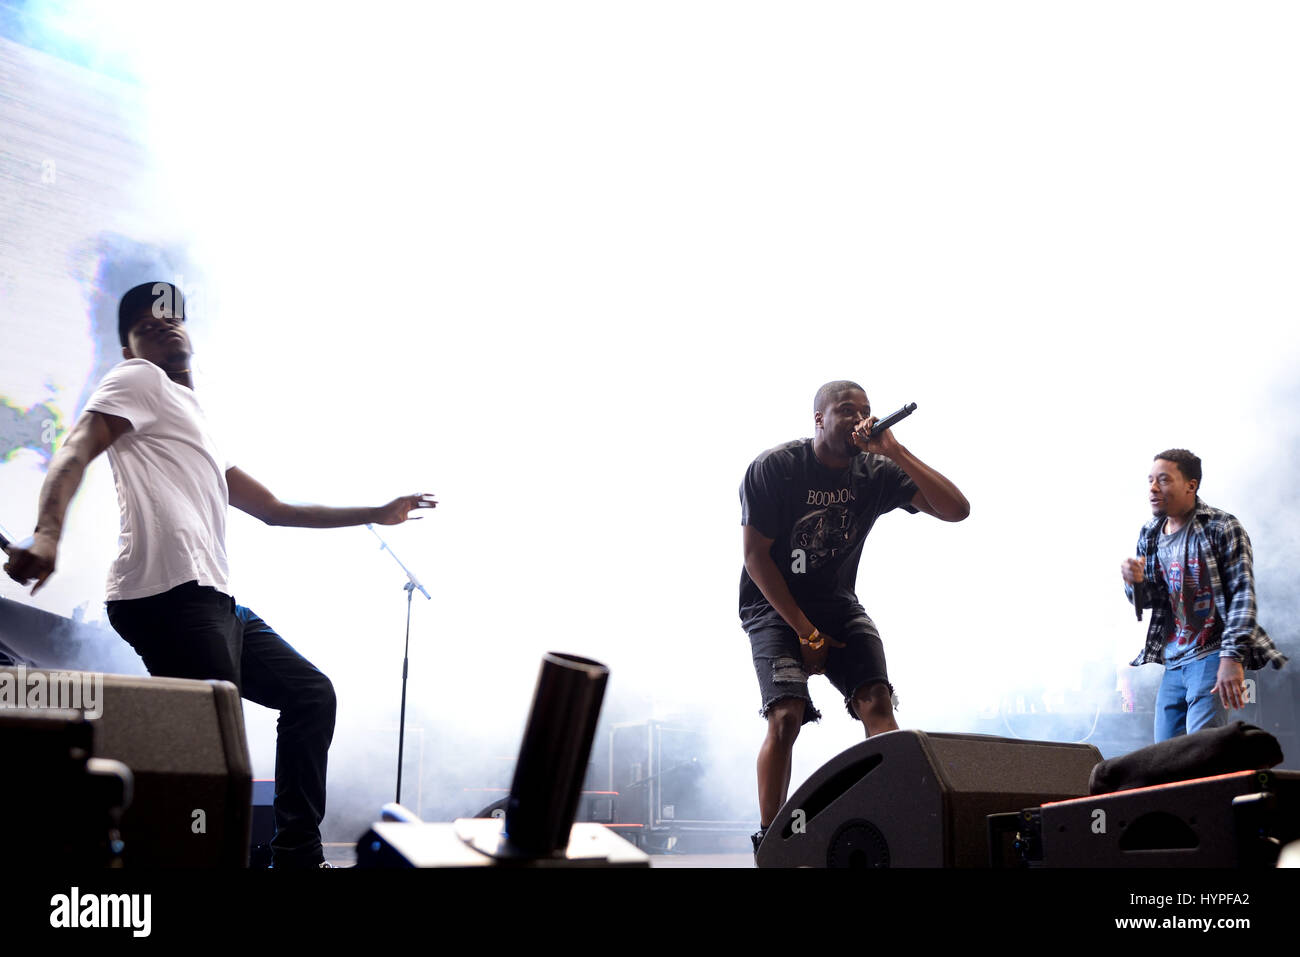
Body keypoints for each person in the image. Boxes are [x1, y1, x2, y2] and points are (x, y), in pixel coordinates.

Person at [3, 281, 437, 868]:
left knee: (311, 695)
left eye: (173, 318)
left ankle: (297, 856)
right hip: (164, 595)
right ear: (129, 349)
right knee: (211, 742)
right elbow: (77, 447)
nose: (164, 325)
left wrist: (376, 512)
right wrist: (48, 532)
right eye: (145, 325)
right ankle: (189, 863)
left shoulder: (200, 419)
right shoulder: (138, 380)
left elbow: (277, 510)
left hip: (214, 600)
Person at [740, 380, 969, 853]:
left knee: (876, 703)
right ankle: (770, 840)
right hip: (773, 604)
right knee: (786, 715)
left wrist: (896, 451)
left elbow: (957, 510)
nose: (859, 417)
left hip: (837, 601)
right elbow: (755, 559)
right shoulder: (776, 468)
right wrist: (805, 632)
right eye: (846, 410)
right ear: (819, 419)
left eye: (865, 410)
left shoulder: (877, 471)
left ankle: (896, 826)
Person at [1121, 449, 1285, 743]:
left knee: (1200, 753)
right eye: (1150, 481)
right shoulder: (1150, 532)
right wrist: (1135, 583)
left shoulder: (1222, 526)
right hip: (1173, 660)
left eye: (1164, 480)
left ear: (1191, 485)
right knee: (1165, 757)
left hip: (1212, 653)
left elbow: (1242, 597)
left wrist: (1231, 658)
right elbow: (1149, 601)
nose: (1153, 489)